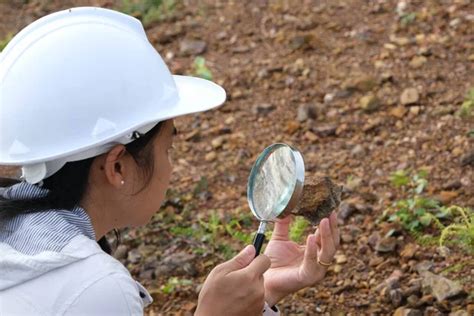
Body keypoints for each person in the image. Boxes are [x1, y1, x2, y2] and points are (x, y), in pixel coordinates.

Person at [0, 7, 340, 315]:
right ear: (117, 167)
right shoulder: (94, 288)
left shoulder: (20, 243)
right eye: (167, 149)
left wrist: (257, 297)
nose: (171, 167)